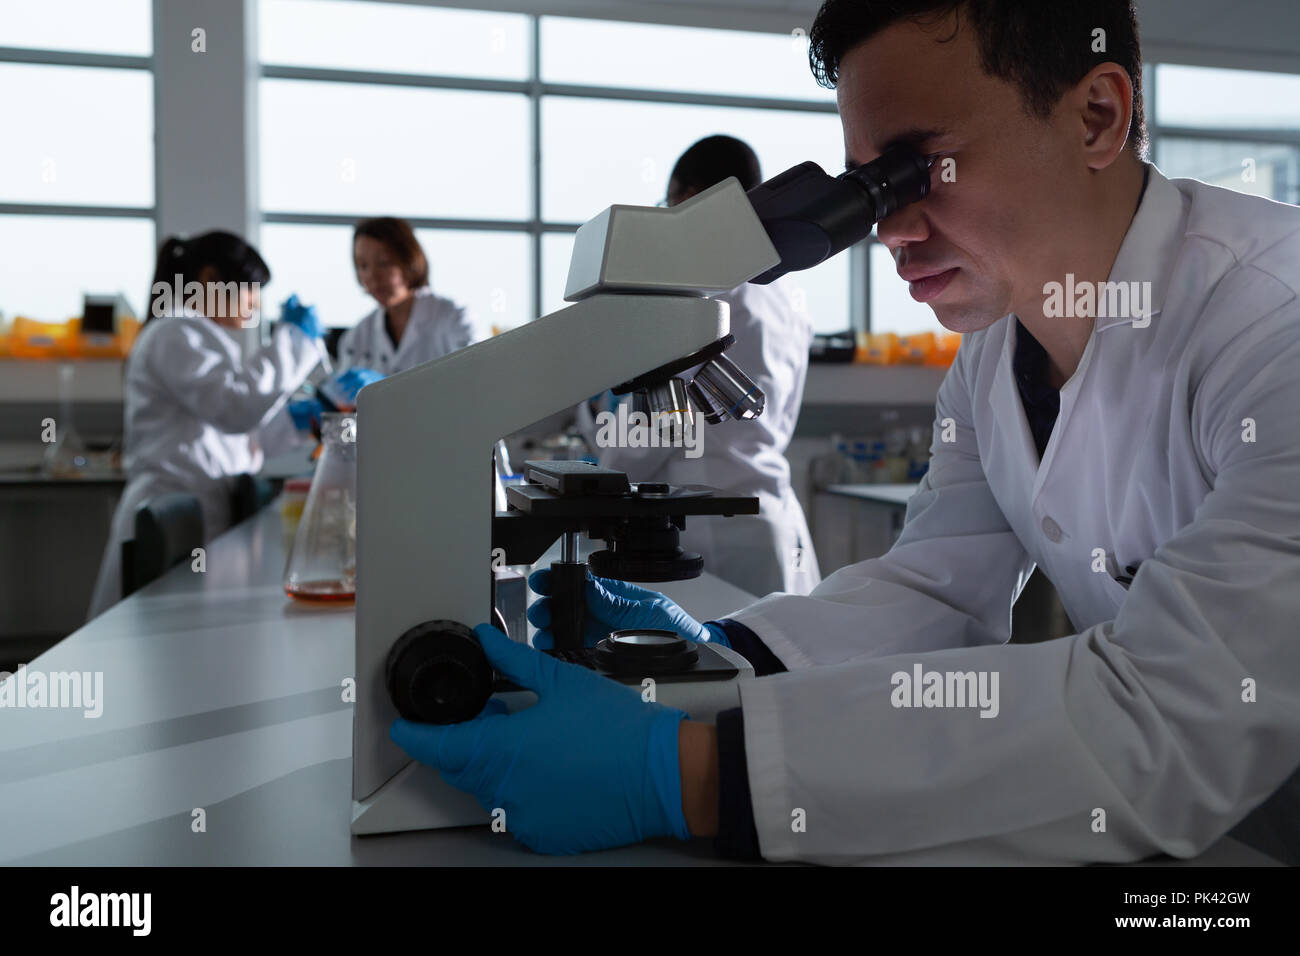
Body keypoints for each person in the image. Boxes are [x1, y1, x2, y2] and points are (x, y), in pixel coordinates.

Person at [389, 0, 1300, 865]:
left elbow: (1179, 716)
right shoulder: (993, 357)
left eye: (919, 167)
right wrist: (730, 658)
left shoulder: (1275, 325)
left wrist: (693, 775)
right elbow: (936, 593)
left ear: (1096, 115)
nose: (890, 229)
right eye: (871, 184)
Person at [574, 136, 821, 598]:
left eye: (669, 203)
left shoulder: (701, 290)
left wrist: (602, 470)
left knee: (721, 661)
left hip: (711, 523)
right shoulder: (784, 290)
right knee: (782, 662)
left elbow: (659, 426)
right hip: (772, 513)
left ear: (689, 199)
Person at [87, 232, 364, 619]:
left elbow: (239, 439)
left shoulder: (202, 339)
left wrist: (309, 414)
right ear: (210, 280)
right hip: (172, 516)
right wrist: (294, 338)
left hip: (200, 516)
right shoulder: (175, 331)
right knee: (150, 647)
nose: (255, 303)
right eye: (251, 289)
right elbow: (234, 409)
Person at [340, 216, 477, 375]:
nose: (373, 276)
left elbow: (473, 378)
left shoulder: (452, 317)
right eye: (363, 266)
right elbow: (342, 396)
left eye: (384, 263)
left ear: (409, 260)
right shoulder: (357, 336)